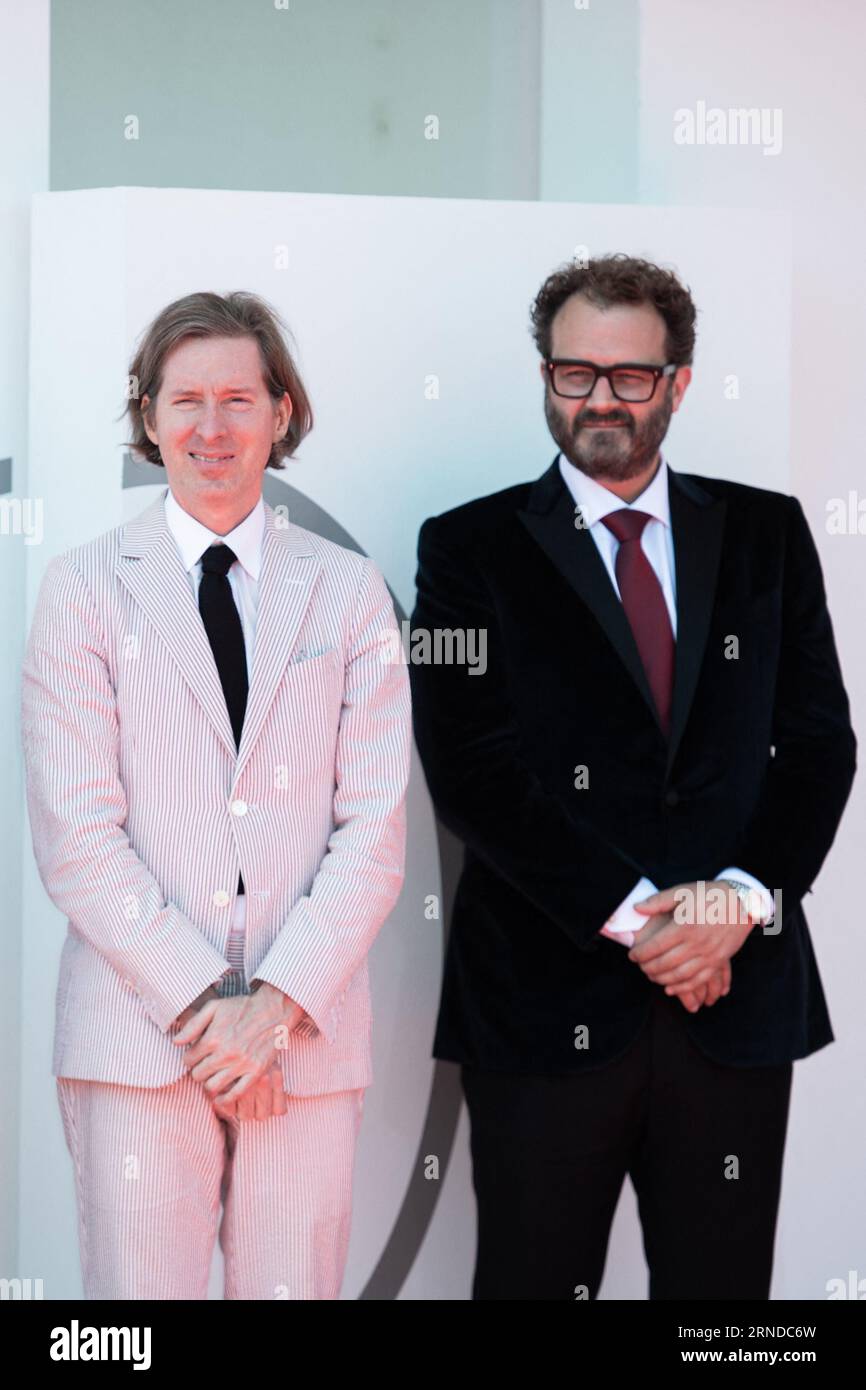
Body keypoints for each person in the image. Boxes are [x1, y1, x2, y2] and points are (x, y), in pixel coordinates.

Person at [408, 254, 856, 1300]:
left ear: (679, 382)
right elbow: (470, 770)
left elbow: (819, 744)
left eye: (629, 376)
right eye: (573, 373)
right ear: (544, 377)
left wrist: (734, 904)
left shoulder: (766, 534)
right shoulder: (464, 548)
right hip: (541, 1000)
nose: (598, 398)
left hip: (734, 998)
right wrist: (648, 924)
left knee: (724, 1314)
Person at [21, 290, 412, 1300]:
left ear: (280, 413)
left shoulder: (345, 589)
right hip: (137, 1037)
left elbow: (371, 832)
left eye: (238, 397)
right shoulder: (82, 589)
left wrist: (271, 1009)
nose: (210, 425)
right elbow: (77, 836)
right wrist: (211, 1007)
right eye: (184, 398)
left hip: (305, 1043)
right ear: (147, 414)